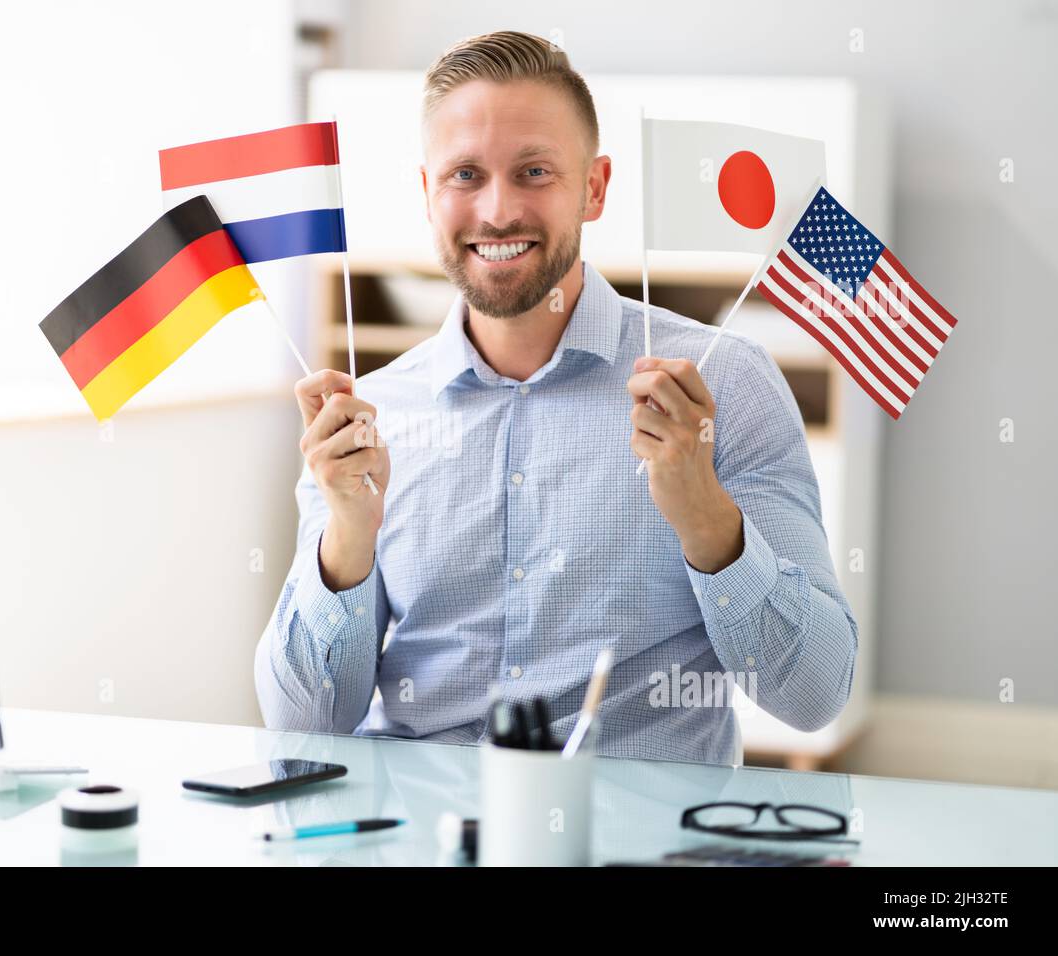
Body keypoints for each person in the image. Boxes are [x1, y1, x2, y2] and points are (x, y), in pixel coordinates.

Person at [255, 30, 856, 765]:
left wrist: (705, 517)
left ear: (594, 187)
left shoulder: (725, 384)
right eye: (465, 175)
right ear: (427, 193)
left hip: (637, 835)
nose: (498, 210)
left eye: (534, 171)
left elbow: (815, 693)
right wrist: (346, 537)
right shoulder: (366, 423)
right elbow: (301, 722)